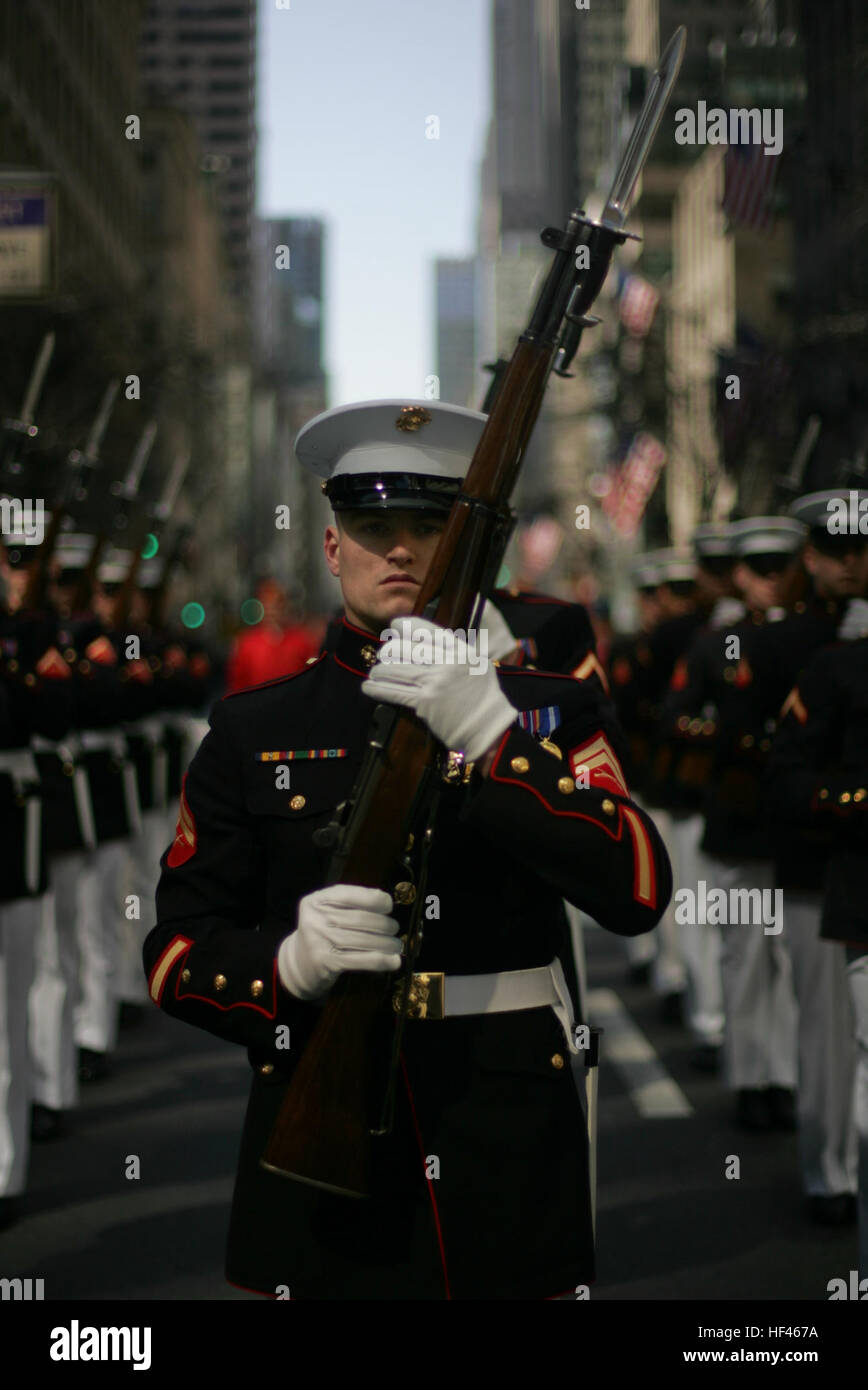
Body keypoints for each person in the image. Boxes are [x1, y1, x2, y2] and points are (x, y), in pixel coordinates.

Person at [143, 399, 673, 1300]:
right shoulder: (252, 728)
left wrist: (495, 737)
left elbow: (638, 886)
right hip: (316, 1130)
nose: (398, 549)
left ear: (463, 547)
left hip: (502, 1128)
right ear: (331, 545)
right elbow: (176, 953)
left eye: (427, 526)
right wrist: (286, 963)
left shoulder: (543, 707)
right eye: (371, 524)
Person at [225, 577, 319, 693]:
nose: (272, 610)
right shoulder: (246, 643)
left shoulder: (301, 641)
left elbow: (312, 673)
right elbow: (237, 683)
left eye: (277, 603)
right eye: (268, 604)